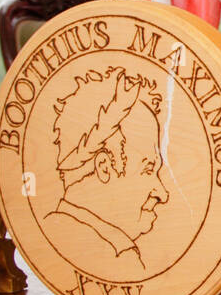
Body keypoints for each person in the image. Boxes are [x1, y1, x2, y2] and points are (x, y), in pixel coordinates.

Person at [44, 67, 170, 273]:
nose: (162, 194)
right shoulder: (119, 259)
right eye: (148, 169)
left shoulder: (49, 233)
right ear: (104, 167)